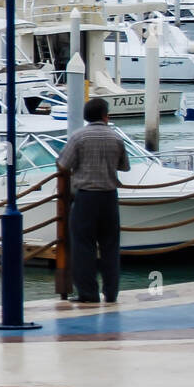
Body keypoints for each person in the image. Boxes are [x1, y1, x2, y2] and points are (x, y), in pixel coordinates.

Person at [56, 97, 129, 304]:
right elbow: (124, 166)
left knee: (83, 246)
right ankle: (111, 292)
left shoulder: (79, 137)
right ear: (105, 115)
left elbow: (63, 163)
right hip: (109, 196)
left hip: (86, 196)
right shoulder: (116, 138)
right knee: (110, 246)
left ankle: (88, 293)